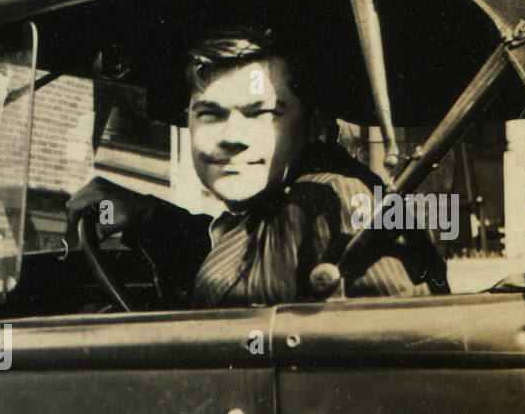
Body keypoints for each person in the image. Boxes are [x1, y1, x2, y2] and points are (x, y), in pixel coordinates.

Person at [67, 26, 441, 307]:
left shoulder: (330, 199)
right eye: (210, 114)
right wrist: (144, 212)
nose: (232, 136)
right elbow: (245, 261)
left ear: (313, 123)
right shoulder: (280, 204)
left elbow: (414, 344)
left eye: (260, 113)